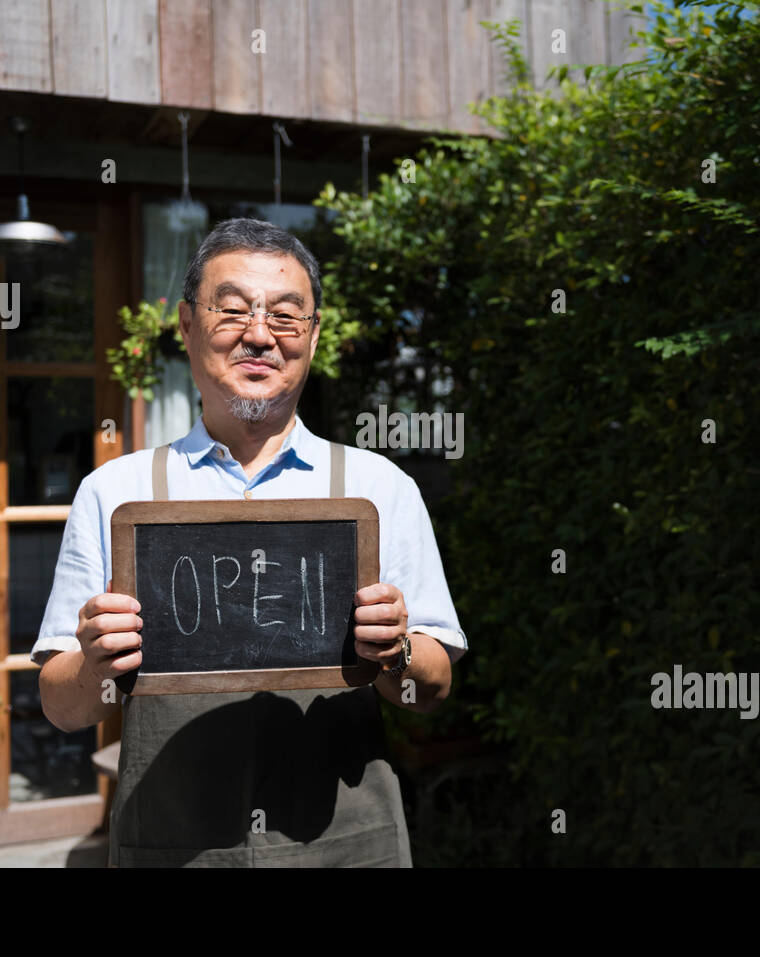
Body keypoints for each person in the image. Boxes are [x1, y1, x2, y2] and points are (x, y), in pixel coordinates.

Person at [33, 218, 466, 866]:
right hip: (173, 848)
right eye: (232, 310)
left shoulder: (378, 488)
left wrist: (398, 650)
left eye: (287, 317)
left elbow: (429, 693)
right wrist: (96, 663)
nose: (260, 334)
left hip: (346, 847)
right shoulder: (117, 492)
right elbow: (63, 707)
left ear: (314, 337)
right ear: (186, 323)